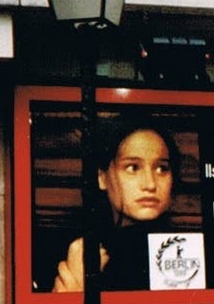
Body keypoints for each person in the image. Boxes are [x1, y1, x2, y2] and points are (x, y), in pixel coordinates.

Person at [53, 122, 178, 293]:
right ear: (102, 177)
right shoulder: (84, 252)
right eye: (132, 167)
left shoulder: (190, 251)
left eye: (162, 168)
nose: (150, 184)